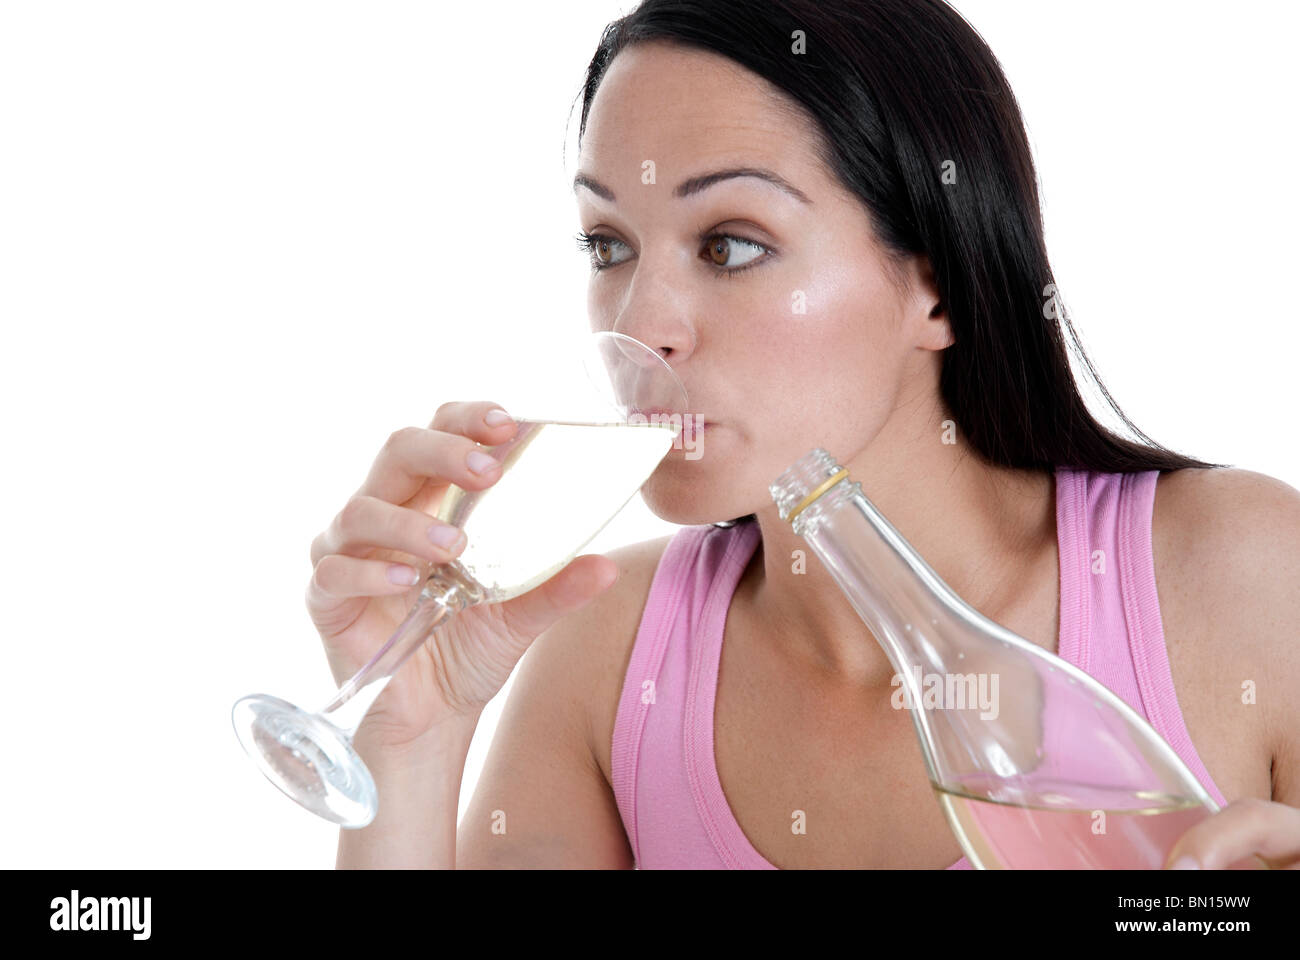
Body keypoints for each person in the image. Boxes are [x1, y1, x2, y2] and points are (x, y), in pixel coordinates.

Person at [309, 0, 1300, 869]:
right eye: (608, 245)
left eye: (731, 244)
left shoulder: (1242, 573)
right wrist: (410, 732)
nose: (641, 324)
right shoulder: (605, 655)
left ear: (937, 285)